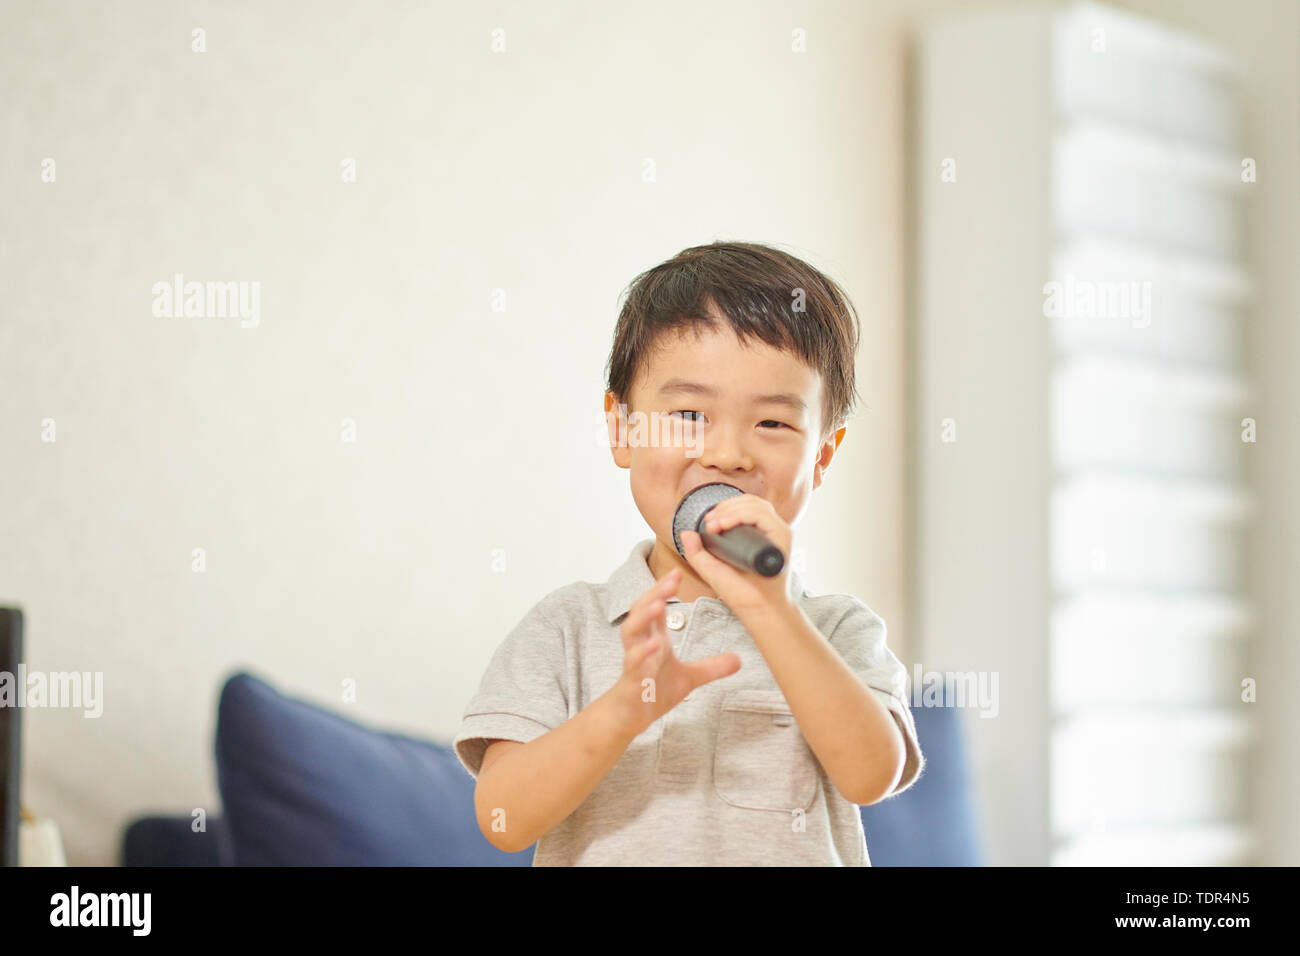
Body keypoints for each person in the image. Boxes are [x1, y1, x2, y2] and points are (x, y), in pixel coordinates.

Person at [453, 240, 924, 865]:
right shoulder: (566, 627)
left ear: (822, 457)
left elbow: (871, 775)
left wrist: (772, 612)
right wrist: (623, 709)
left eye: (774, 424)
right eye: (689, 415)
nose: (728, 453)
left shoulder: (837, 629)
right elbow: (503, 818)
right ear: (622, 430)